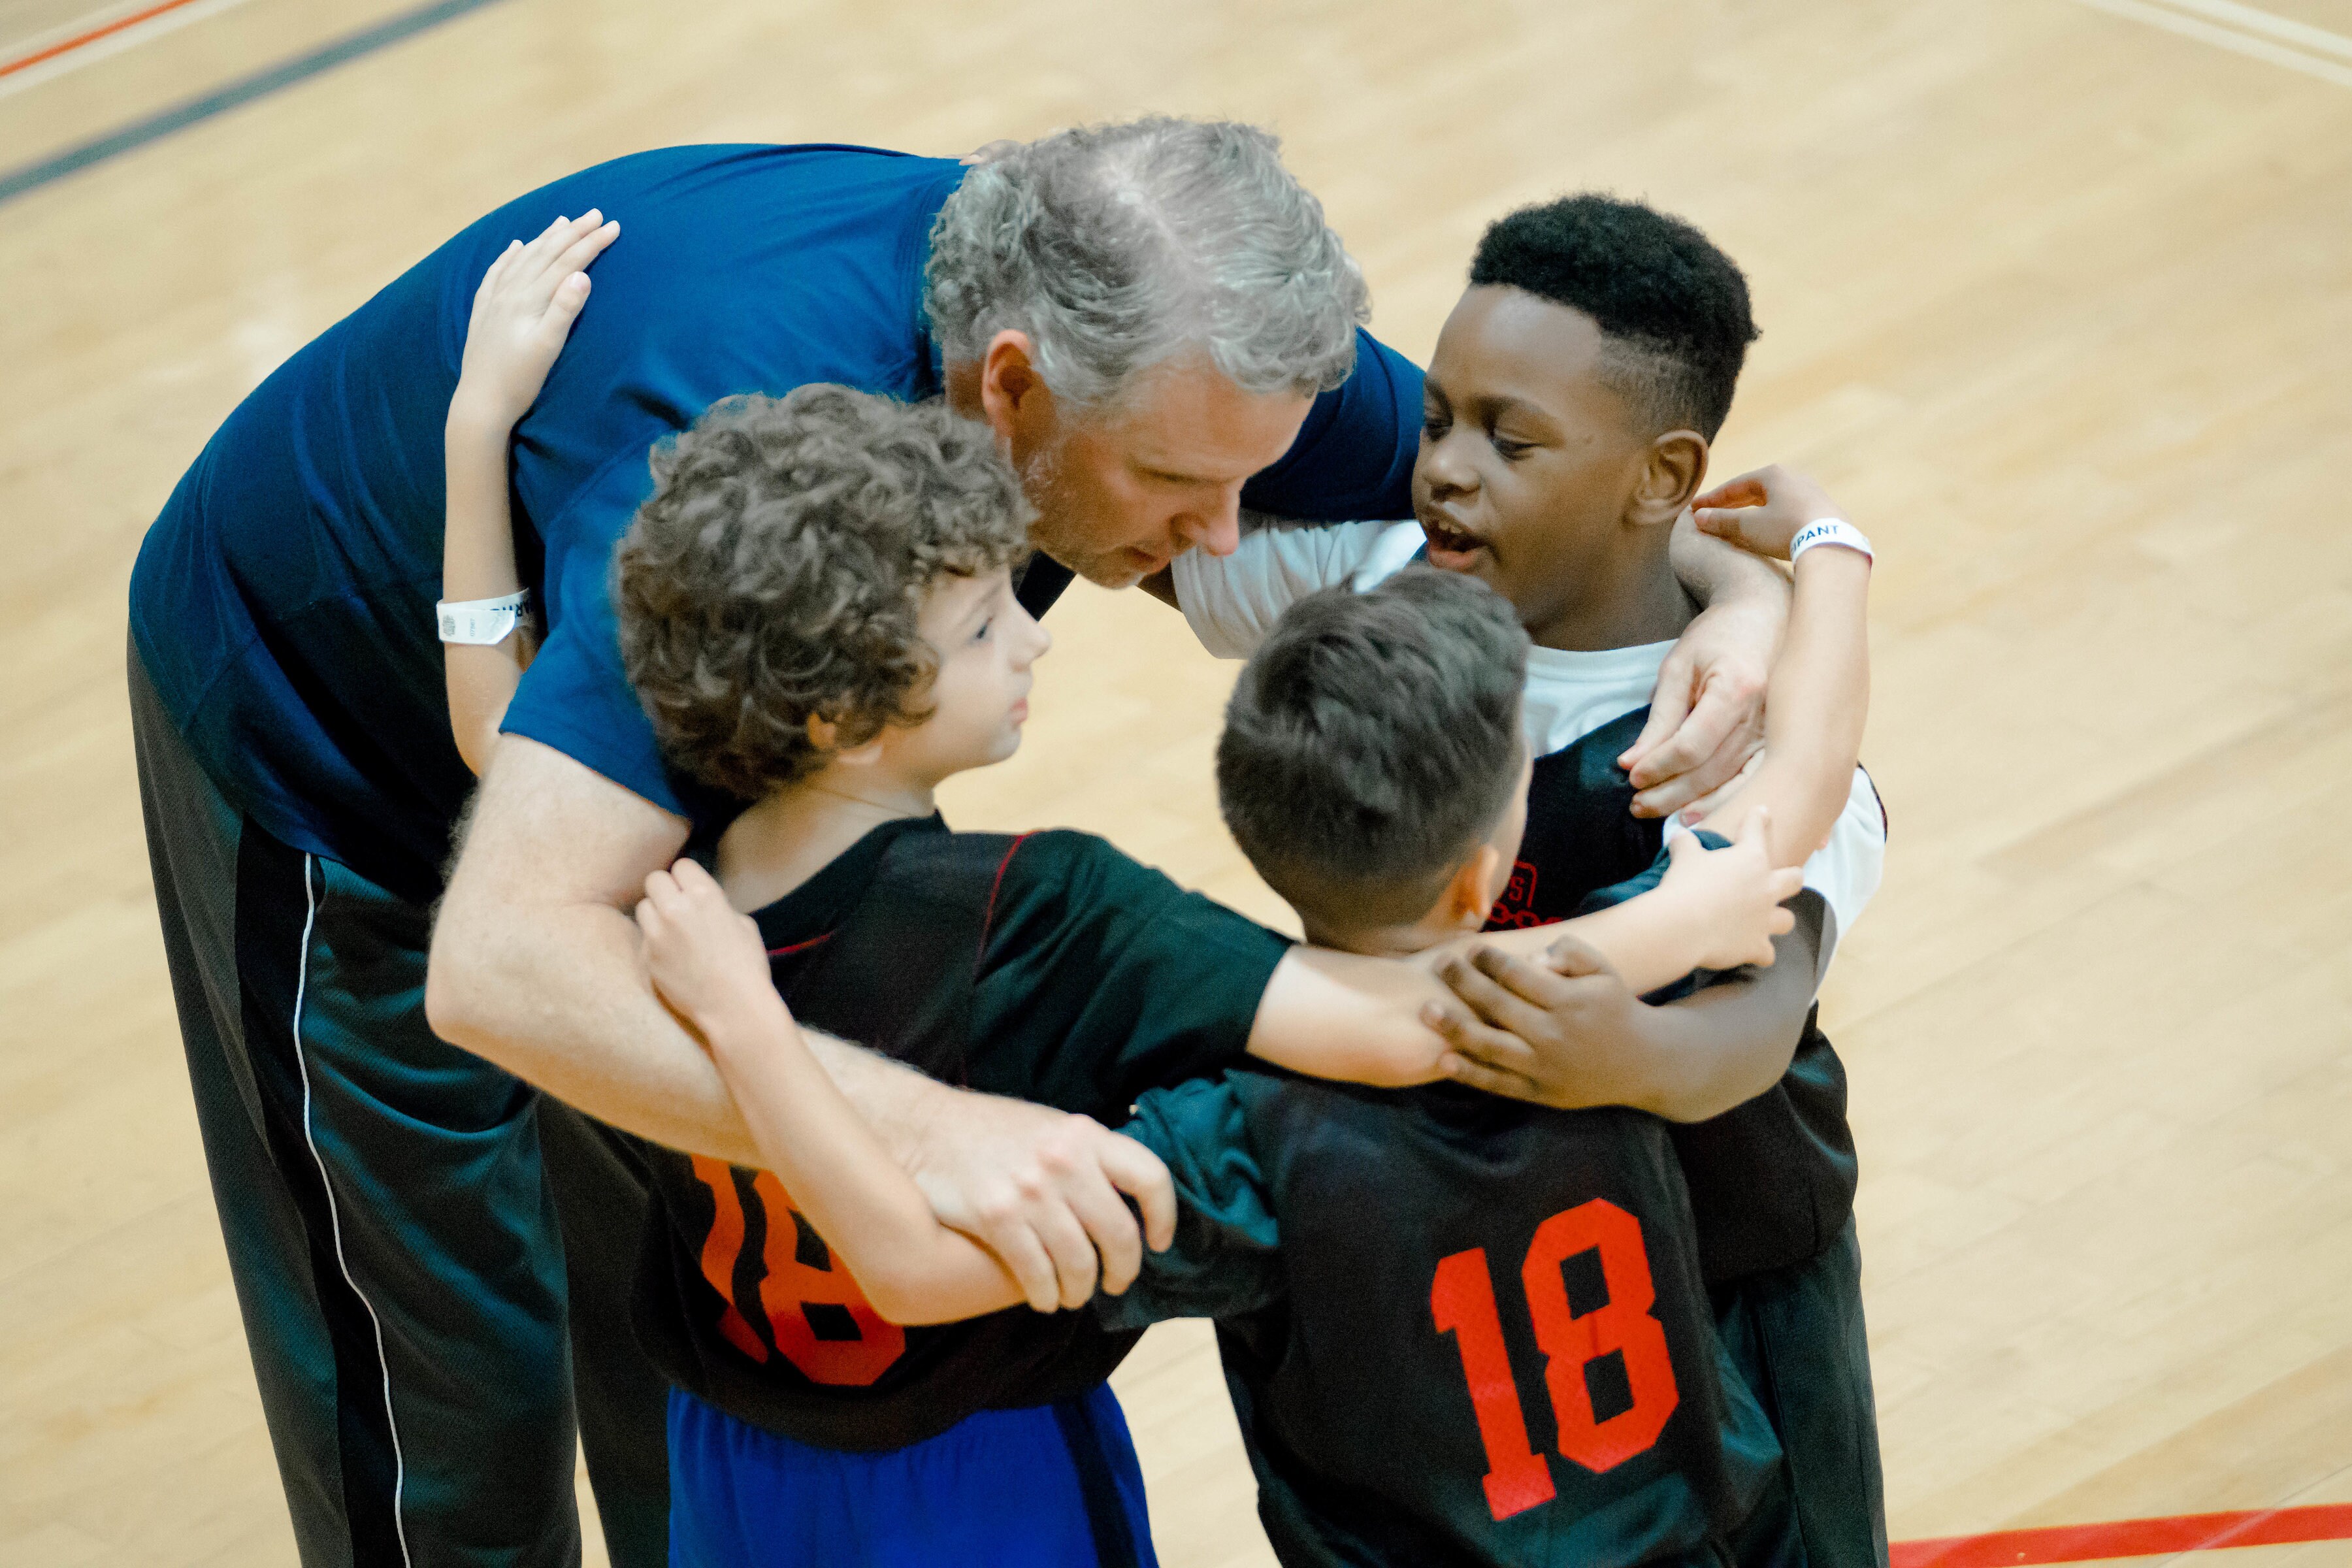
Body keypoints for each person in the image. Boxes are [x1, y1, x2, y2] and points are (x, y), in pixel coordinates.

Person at [127, 120, 1793, 1565]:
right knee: (452, 1404)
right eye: (1168, 485)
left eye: (1252, 479)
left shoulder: (1195, 357)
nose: (1218, 544)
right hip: (329, 748)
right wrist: (922, 1126)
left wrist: (1747, 582)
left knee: (666, 1296)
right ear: (1007, 391)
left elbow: (1550, 498)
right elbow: (501, 957)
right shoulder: (717, 465)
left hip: (606, 791)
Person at [630, 526, 1869, 1565]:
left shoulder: (1242, 1133)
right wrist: (1814, 553)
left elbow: (921, 1273)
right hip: (1686, 1540)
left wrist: (746, 1028)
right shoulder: (1613, 986)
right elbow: (1806, 776)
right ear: (1492, 869)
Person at [1158, 194, 1891, 1567]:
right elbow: (1139, 519)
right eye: (1434, 419)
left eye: (1511, 439)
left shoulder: (1736, 733)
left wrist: (1634, 1054)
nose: (1443, 470)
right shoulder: (1378, 577)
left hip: (1719, 1290)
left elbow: (1757, 1024)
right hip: (1446, 1280)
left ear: (1663, 477)